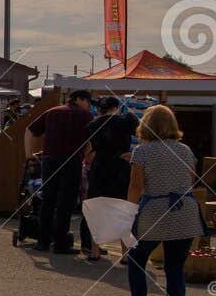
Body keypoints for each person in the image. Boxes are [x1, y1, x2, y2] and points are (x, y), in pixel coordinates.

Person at [120, 105, 205, 296]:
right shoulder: (186, 150)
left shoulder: (143, 152)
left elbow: (136, 186)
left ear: (145, 125)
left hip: (154, 210)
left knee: (137, 260)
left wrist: (129, 212)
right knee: (175, 267)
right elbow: (191, 181)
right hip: (185, 211)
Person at [27, 88, 93, 254]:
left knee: (48, 201)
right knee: (66, 203)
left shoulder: (52, 112)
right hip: (72, 162)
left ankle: (42, 241)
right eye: (88, 101)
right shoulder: (86, 116)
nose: (89, 105)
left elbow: (29, 130)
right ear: (79, 99)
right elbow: (92, 142)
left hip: (50, 161)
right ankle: (60, 243)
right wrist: (83, 155)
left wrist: (28, 155)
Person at [80, 97, 136, 262]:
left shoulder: (92, 125)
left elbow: (88, 151)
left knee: (96, 208)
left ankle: (95, 250)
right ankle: (125, 253)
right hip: (121, 166)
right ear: (116, 107)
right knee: (122, 208)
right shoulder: (126, 121)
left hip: (100, 167)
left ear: (99, 109)